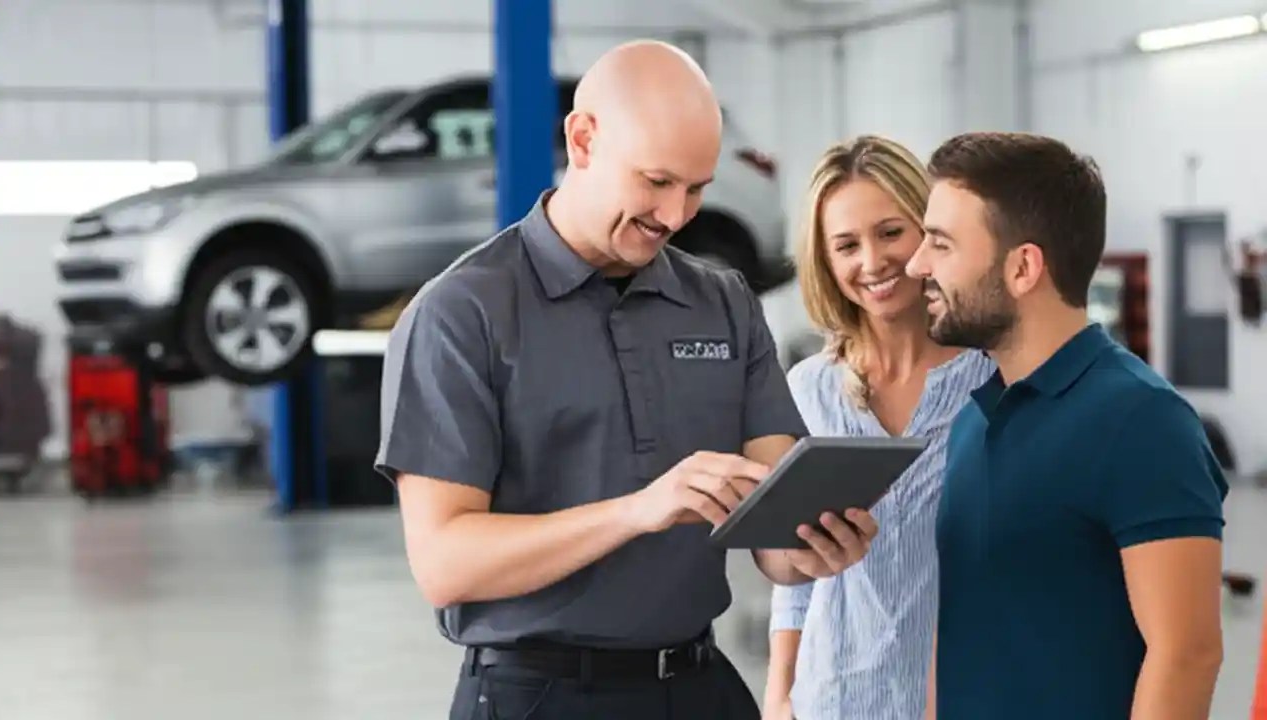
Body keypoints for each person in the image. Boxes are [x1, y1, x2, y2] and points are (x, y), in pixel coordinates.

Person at [373, 40, 879, 720]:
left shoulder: (723, 302)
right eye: (656, 181)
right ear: (583, 140)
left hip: (700, 687)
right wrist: (639, 510)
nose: (675, 216)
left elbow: (774, 544)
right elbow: (444, 563)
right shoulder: (463, 314)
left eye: (696, 189)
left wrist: (816, 547)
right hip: (539, 696)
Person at [906, 131, 1228, 720]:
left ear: (1023, 267)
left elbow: (1187, 653)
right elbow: (957, 630)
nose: (916, 264)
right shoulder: (972, 421)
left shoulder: (1142, 420)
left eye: (941, 244)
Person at [760, 136, 994, 720]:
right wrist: (779, 696)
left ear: (930, 233)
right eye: (846, 245)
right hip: (833, 700)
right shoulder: (809, 388)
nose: (872, 262)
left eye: (891, 232)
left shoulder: (995, 381)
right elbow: (796, 574)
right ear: (825, 260)